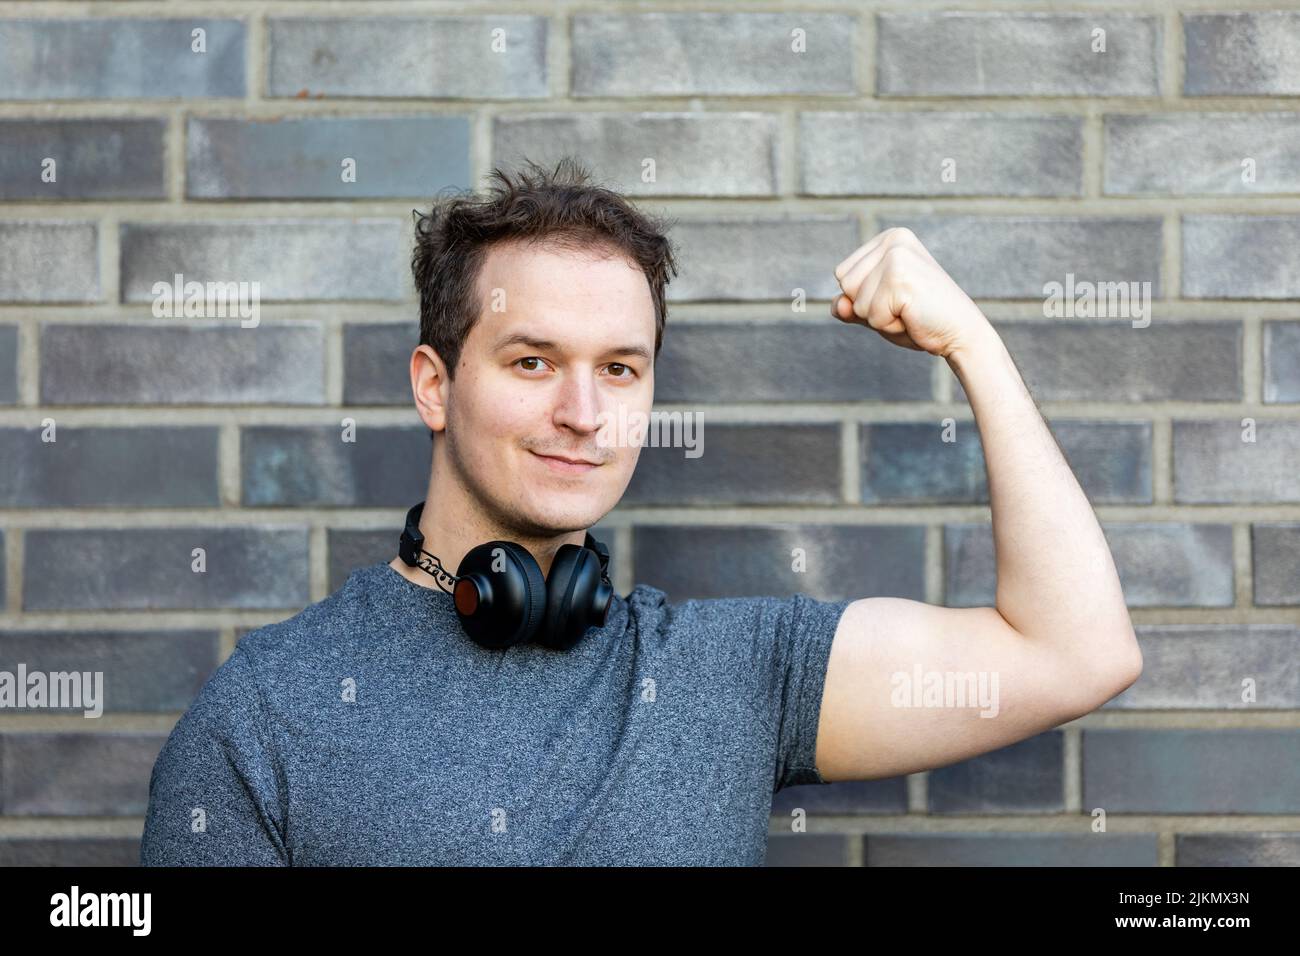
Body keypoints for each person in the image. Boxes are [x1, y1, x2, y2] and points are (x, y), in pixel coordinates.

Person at [139, 157, 1142, 866]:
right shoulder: (266, 711)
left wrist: (973, 345)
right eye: (532, 361)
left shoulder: (734, 677)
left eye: (618, 368)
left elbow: (1073, 651)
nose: (583, 413)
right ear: (433, 385)